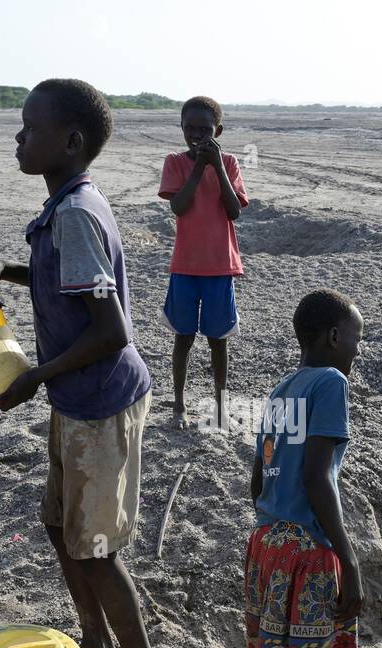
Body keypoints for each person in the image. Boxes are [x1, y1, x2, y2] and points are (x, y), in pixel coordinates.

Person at [0, 78, 171, 648]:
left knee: (97, 548)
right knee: (57, 523)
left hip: (99, 404)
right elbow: (66, 284)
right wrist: (1, 275)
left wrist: (34, 378)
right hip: (79, 402)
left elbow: (111, 330)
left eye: (29, 128)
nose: (18, 137)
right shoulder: (68, 207)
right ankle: (95, 643)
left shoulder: (74, 213)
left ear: (70, 142)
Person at [246, 288, 366, 648]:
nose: (358, 350)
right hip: (310, 551)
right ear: (336, 336)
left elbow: (258, 480)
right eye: (356, 338)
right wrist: (349, 560)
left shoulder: (280, 390)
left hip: (268, 545)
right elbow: (319, 479)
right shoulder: (332, 383)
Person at [157, 96, 248, 431]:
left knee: (217, 340)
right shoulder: (175, 162)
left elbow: (233, 210)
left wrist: (218, 167)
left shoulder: (231, 163)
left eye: (204, 129)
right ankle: (179, 405)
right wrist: (198, 166)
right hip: (185, 266)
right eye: (190, 128)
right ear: (181, 128)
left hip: (220, 267)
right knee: (183, 337)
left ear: (218, 131)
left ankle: (221, 406)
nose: (196, 135)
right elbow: (179, 207)